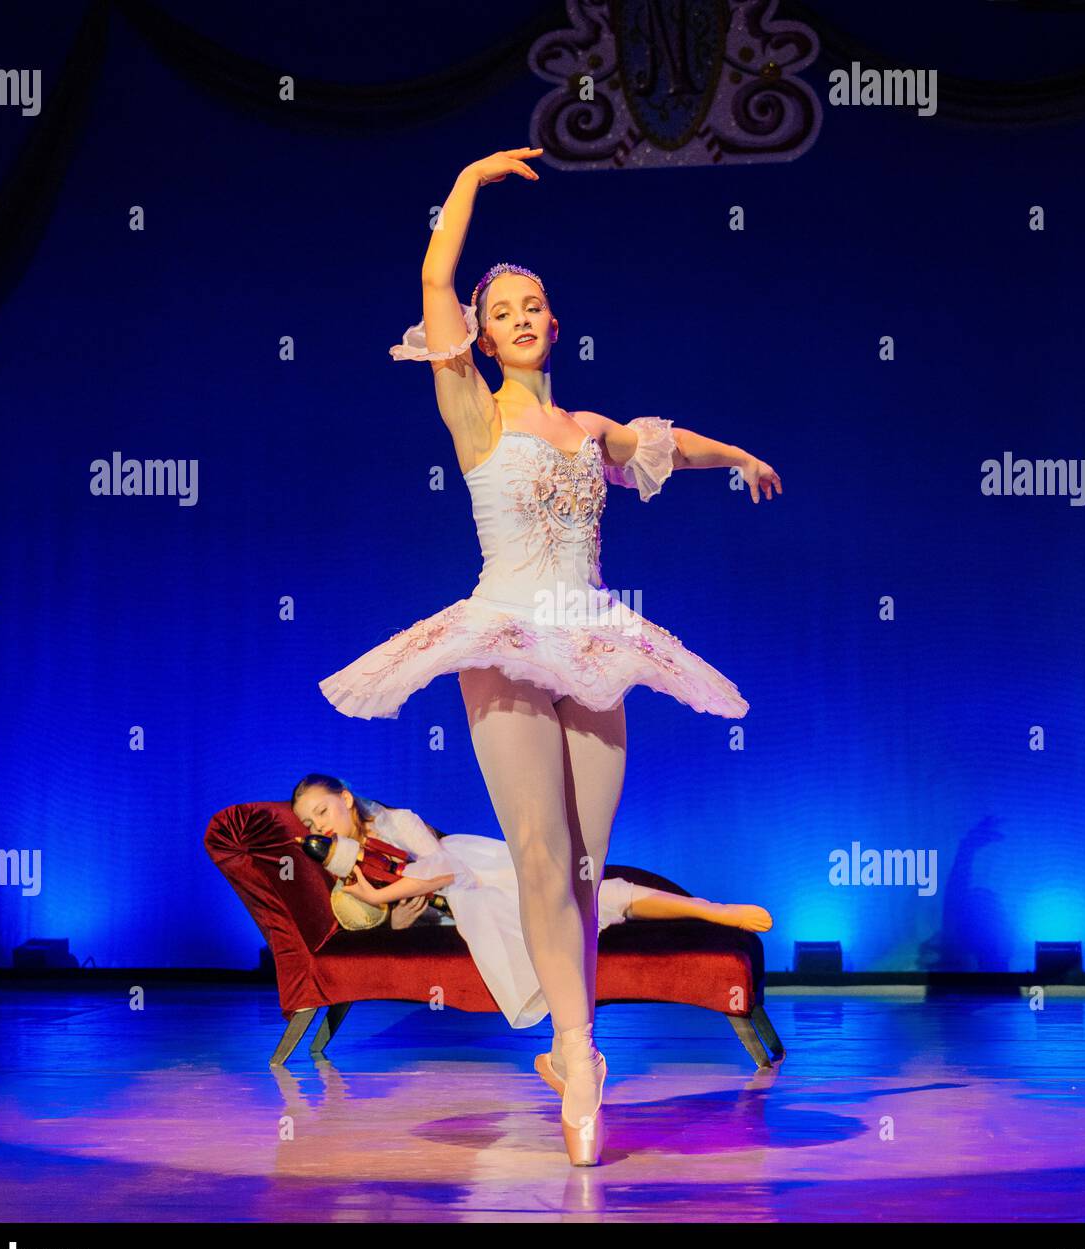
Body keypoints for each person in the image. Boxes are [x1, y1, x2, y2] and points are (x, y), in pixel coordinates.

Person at [317, 147, 782, 1164]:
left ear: (553, 325)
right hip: (506, 630)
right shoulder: (474, 411)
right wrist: (469, 183)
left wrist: (739, 456)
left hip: (597, 638)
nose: (520, 317)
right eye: (504, 310)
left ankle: (573, 1044)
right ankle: (579, 1051)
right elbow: (436, 280)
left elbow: (666, 443)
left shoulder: (587, 427)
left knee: (580, 861)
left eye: (533, 305)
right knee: (535, 850)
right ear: (481, 337)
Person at [291, 773, 773, 1032]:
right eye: (311, 825)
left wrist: (383, 893)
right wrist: (394, 917)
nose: (321, 826)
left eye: (323, 811)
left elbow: (444, 871)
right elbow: (395, 922)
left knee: (592, 896)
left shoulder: (399, 823)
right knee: (570, 913)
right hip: (452, 908)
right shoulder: (349, 863)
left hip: (477, 874)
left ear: (346, 799)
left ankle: (710, 910)